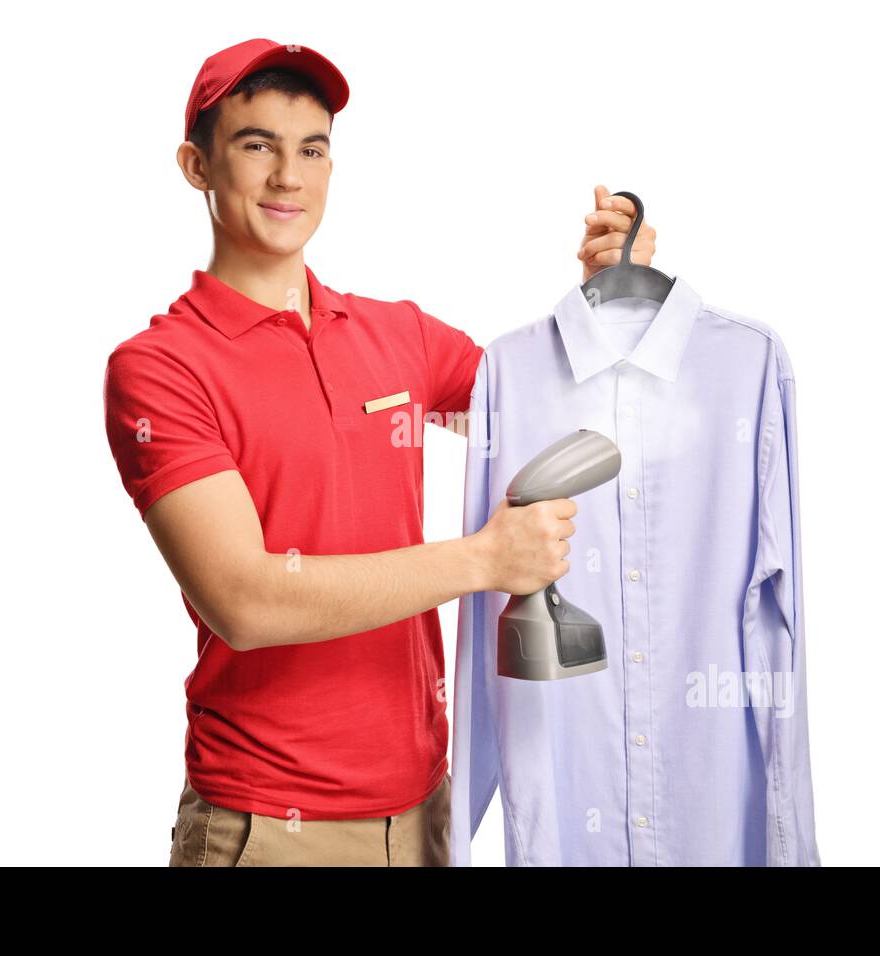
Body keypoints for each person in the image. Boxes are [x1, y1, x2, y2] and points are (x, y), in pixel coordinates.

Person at [102, 38, 658, 866]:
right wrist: (482, 561)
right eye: (257, 145)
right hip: (267, 829)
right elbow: (246, 601)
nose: (289, 176)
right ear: (198, 165)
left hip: (428, 815)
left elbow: (552, 420)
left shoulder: (396, 335)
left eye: (312, 149)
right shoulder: (160, 368)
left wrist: (608, 300)